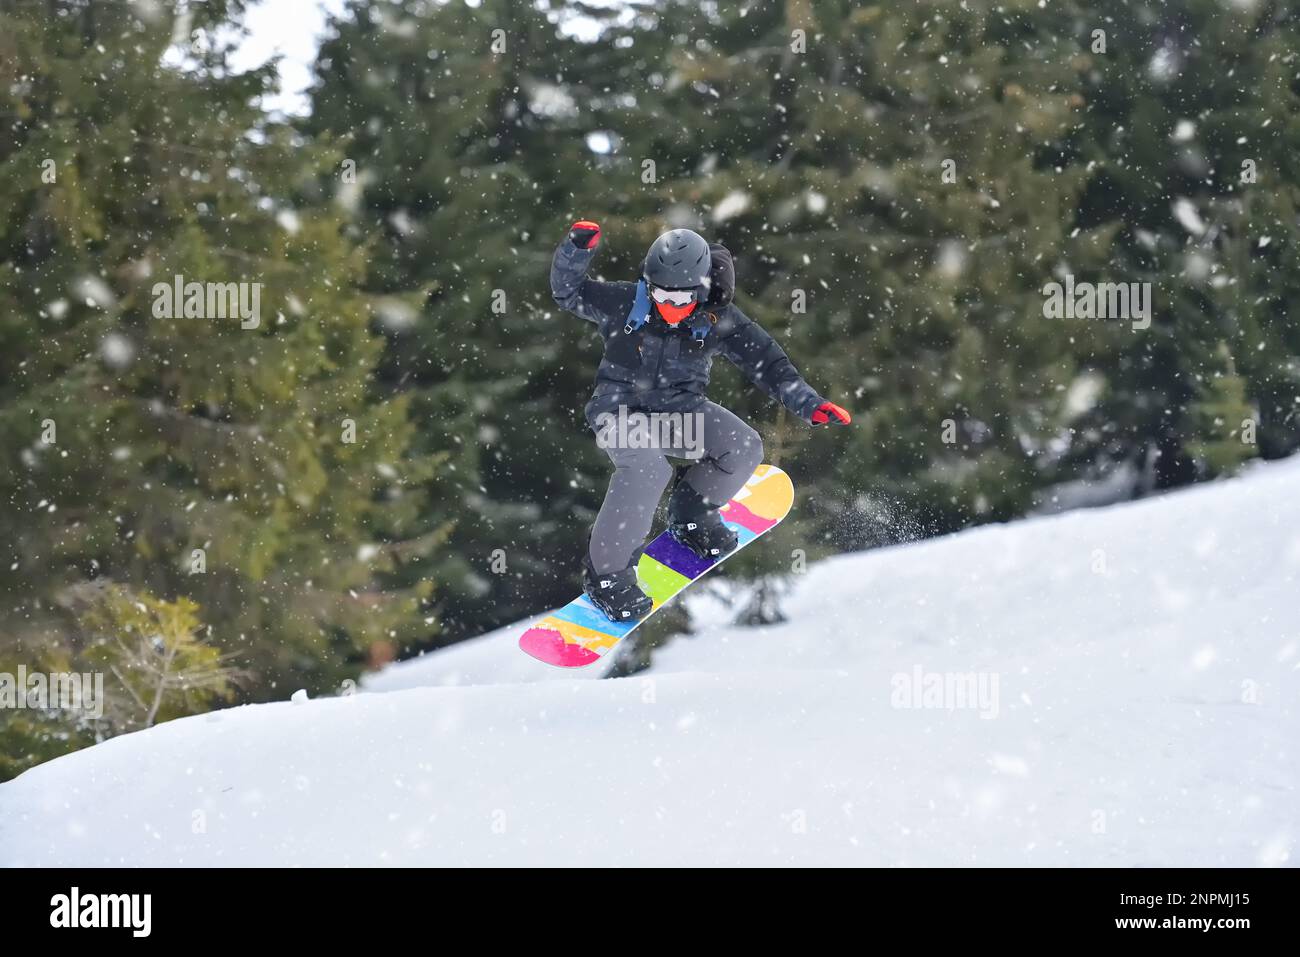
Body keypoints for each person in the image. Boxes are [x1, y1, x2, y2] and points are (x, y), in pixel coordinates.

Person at [551, 220, 851, 622]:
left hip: (679, 411)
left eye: (684, 298)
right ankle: (606, 575)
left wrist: (809, 404)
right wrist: (576, 249)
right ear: (648, 285)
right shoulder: (623, 303)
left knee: (742, 447)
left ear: (703, 288)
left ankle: (691, 515)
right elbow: (568, 293)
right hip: (619, 411)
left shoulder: (717, 318)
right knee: (646, 469)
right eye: (662, 295)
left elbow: (767, 362)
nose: (672, 307)